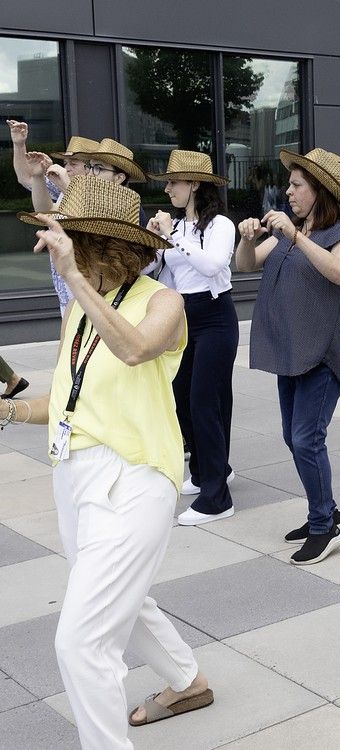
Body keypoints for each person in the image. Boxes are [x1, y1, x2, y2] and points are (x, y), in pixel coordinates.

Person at [1, 175, 213, 750]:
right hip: (76, 475)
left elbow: (135, 348)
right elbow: (71, 402)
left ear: (101, 245)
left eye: (70, 236)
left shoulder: (163, 302)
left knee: (82, 640)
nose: (58, 244)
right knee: (123, 595)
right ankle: (187, 680)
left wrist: (72, 278)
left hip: (138, 478)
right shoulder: (79, 313)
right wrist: (8, 412)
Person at [235, 148, 340, 565]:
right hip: (291, 349)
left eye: (297, 185)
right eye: (290, 185)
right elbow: (245, 266)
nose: (289, 192)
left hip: (324, 353)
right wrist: (247, 240)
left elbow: (339, 271)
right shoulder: (289, 231)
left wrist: (295, 236)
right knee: (293, 437)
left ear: (320, 191)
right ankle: (326, 510)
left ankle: (323, 526)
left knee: (305, 438)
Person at [146, 150, 238, 525]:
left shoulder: (221, 226)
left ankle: (218, 498)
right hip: (183, 318)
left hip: (216, 317)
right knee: (183, 400)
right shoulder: (178, 227)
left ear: (195, 184)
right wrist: (154, 244)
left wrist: (171, 236)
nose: (167, 189)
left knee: (204, 402)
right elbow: (160, 272)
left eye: (174, 182)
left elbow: (212, 265)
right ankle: (204, 472)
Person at [8, 121, 99, 314]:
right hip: (66, 287)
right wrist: (19, 145)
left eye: (73, 164)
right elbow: (27, 180)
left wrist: (63, 182)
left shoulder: (98, 194)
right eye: (66, 163)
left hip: (92, 286)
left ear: (92, 169)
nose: (67, 168)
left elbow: (88, 215)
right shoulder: (65, 190)